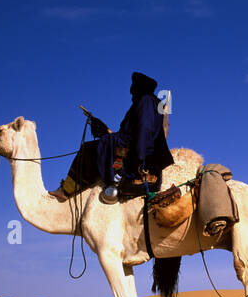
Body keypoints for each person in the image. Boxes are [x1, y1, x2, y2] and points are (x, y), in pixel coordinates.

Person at [51, 72, 175, 201]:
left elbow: (145, 129)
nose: (131, 91)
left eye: (134, 86)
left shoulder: (146, 101)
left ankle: (66, 191)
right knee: (99, 144)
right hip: (131, 143)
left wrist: (140, 157)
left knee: (88, 150)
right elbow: (132, 131)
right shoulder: (150, 102)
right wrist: (105, 130)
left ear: (139, 87)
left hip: (136, 150)